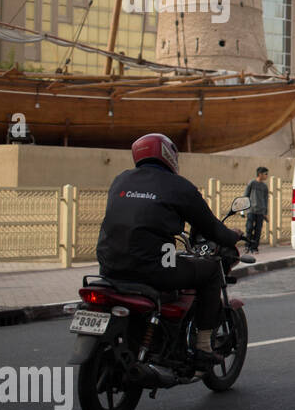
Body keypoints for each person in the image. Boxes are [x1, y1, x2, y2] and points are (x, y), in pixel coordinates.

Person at [96, 133, 243, 364]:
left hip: (109, 268)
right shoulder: (178, 186)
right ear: (168, 154)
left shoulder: (121, 180)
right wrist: (232, 236)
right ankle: (204, 345)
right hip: (154, 269)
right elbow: (210, 226)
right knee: (211, 271)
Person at [243, 167, 270, 253]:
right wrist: (243, 210)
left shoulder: (265, 187)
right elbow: (246, 195)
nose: (267, 176)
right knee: (249, 228)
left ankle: (254, 248)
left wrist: (265, 213)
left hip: (260, 212)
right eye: (265, 174)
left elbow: (266, 200)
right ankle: (247, 246)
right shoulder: (252, 183)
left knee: (258, 230)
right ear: (260, 174)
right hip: (251, 210)